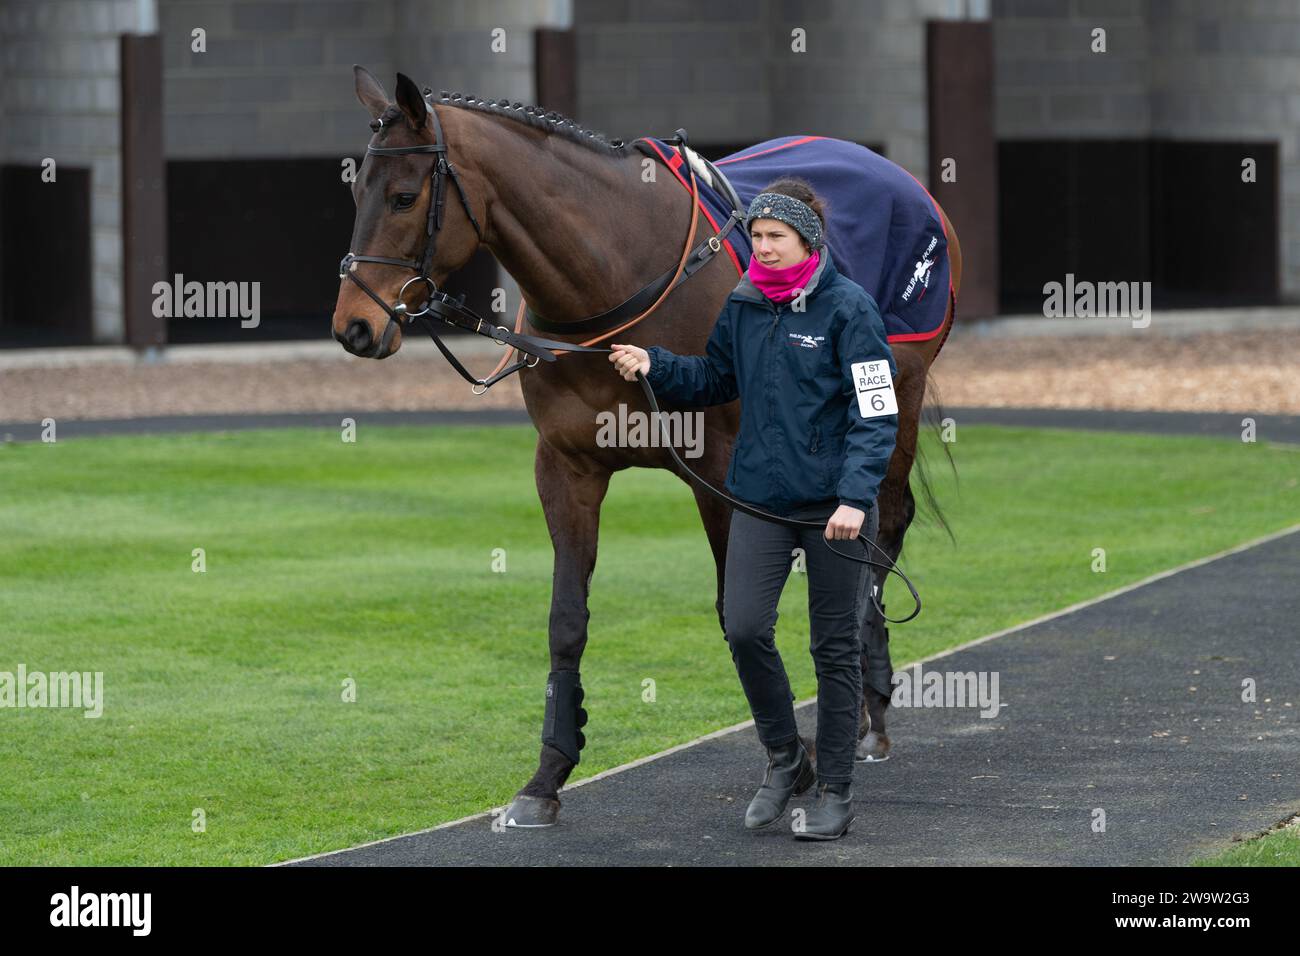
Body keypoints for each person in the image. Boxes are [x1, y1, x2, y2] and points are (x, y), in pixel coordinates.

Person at [609, 178, 899, 841]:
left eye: (776, 238)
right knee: (742, 627)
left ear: (808, 242)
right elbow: (714, 380)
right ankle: (783, 756)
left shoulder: (851, 310)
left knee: (834, 651)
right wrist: (652, 363)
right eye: (757, 236)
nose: (762, 248)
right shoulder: (742, 304)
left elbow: (876, 414)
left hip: (836, 511)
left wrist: (856, 498)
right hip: (761, 501)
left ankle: (834, 791)